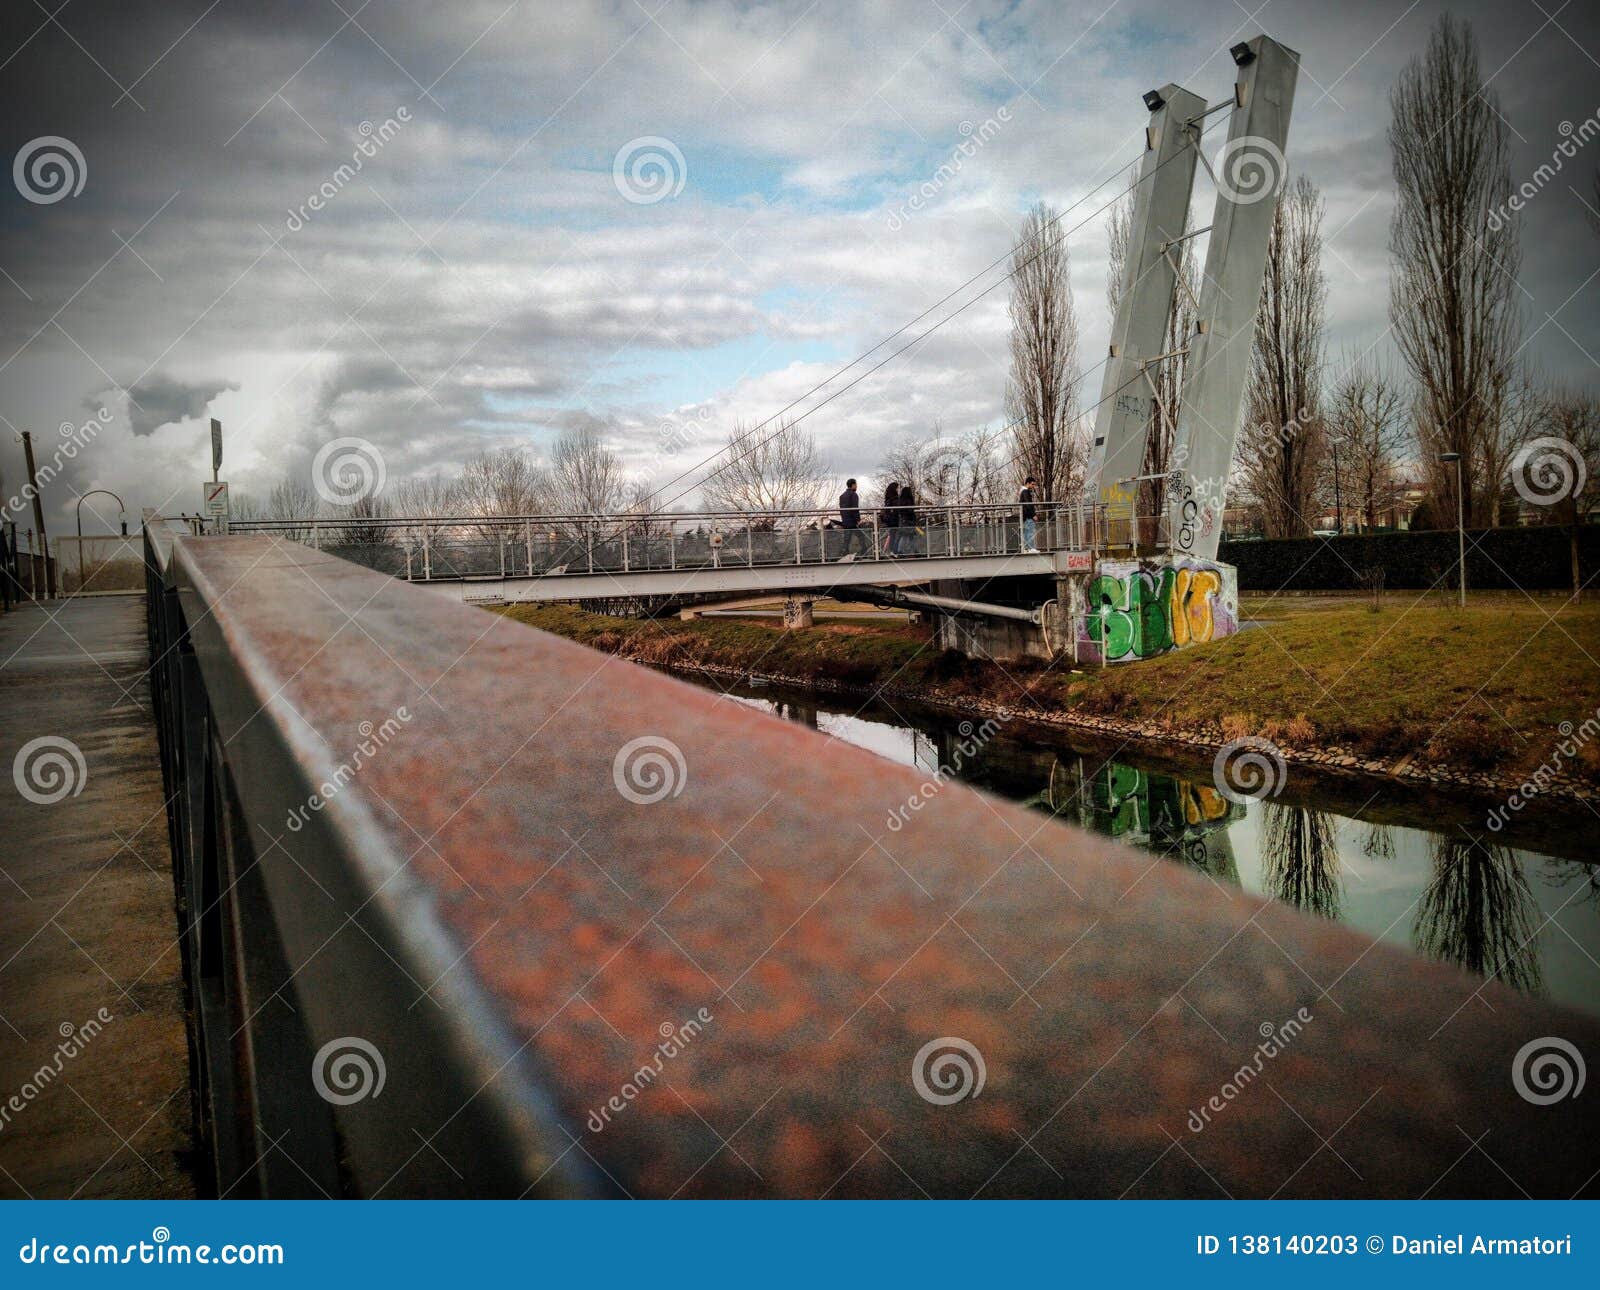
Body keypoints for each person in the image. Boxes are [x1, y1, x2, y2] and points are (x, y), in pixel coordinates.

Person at [837, 478, 867, 560]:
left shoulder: (842, 496)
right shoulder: (853, 495)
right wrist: (858, 520)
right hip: (852, 521)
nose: (857, 486)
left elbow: (842, 510)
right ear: (853, 485)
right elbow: (855, 508)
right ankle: (865, 551)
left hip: (845, 521)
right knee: (861, 536)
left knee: (847, 538)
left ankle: (844, 553)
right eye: (856, 484)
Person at [1019, 476, 1039, 552]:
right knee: (1030, 532)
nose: (1033, 486)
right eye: (1032, 484)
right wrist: (1033, 515)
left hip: (1024, 516)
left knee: (1026, 533)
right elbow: (1028, 505)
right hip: (1028, 516)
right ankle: (1031, 548)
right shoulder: (1026, 492)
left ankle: (1026, 549)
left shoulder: (1022, 491)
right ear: (1028, 483)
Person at [897, 483, 918, 556]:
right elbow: (910, 511)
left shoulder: (900, 500)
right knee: (909, 536)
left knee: (906, 536)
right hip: (909, 521)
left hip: (903, 521)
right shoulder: (909, 501)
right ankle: (914, 551)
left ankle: (902, 551)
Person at [880, 482, 900, 554]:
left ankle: (891, 551)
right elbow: (897, 510)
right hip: (894, 520)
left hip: (890, 520)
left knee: (892, 535)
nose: (898, 490)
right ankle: (894, 551)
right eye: (897, 488)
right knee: (896, 535)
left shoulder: (888, 499)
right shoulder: (895, 499)